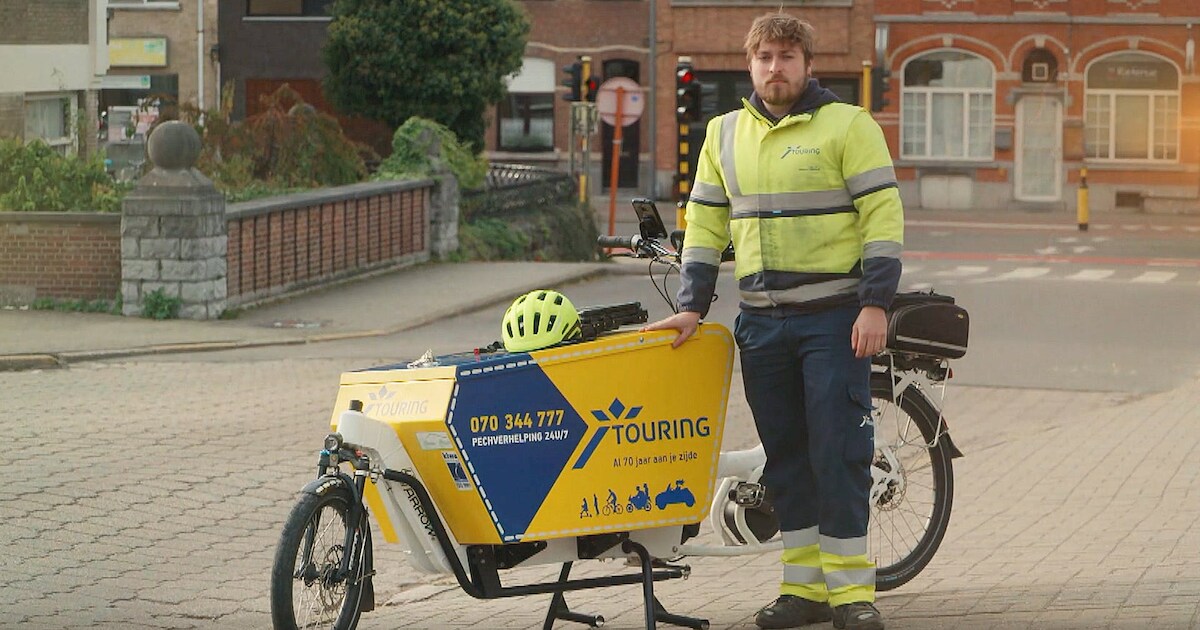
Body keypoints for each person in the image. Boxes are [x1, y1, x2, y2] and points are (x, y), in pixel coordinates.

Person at [642, 11, 903, 630]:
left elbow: (883, 219)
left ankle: (852, 596)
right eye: (764, 58)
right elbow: (704, 225)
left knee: (838, 452)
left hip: (834, 321)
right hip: (761, 324)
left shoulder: (849, 125)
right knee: (785, 459)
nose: (774, 68)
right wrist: (690, 306)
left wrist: (875, 303)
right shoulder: (725, 134)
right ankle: (803, 591)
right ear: (750, 65)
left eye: (787, 57)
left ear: (808, 65)